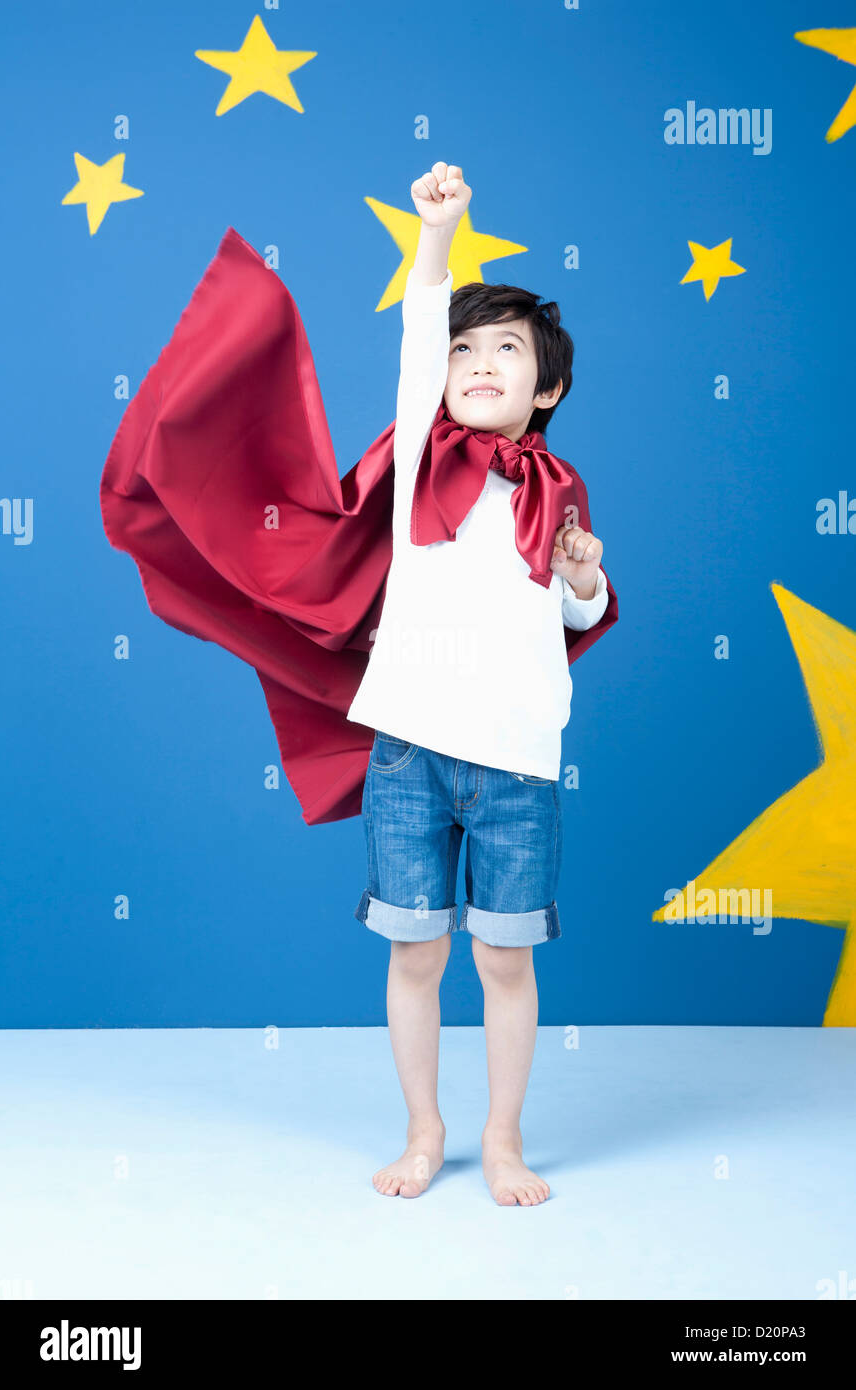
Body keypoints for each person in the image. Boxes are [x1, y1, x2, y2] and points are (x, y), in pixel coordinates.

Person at [350, 164, 613, 1205]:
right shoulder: (421, 456)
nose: (476, 362)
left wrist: (583, 580)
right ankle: (424, 1130)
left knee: (505, 964)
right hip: (408, 748)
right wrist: (439, 236)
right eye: (464, 350)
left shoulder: (555, 488)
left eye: (506, 349)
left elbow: (572, 613)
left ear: (543, 388)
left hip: (514, 762)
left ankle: (503, 1138)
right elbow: (421, 327)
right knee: (415, 955)